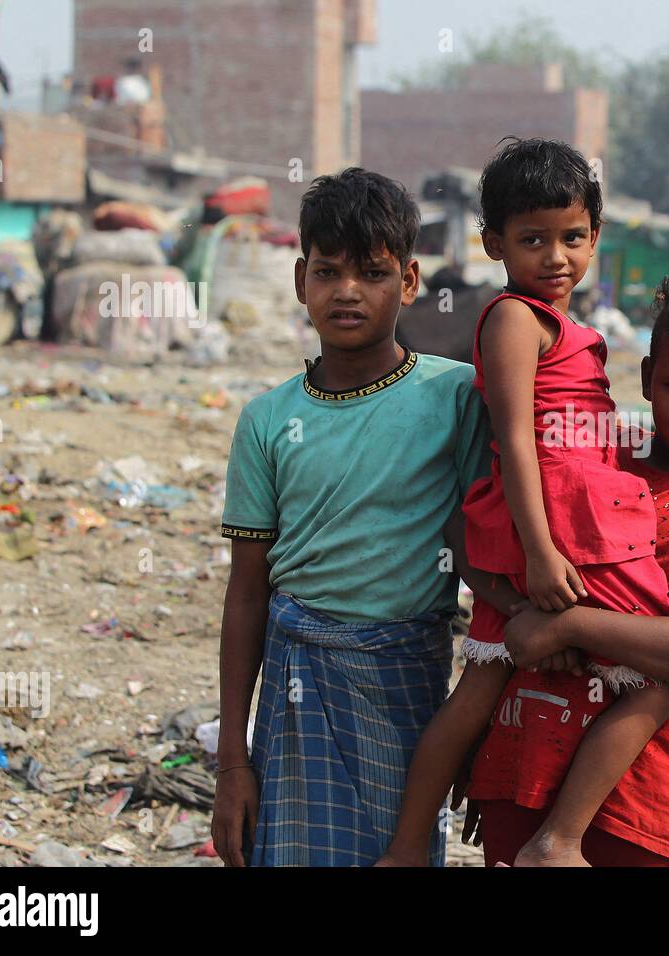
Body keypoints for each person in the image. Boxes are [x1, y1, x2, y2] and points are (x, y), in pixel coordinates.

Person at [379, 138, 669, 867]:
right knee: (666, 672)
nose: (556, 257)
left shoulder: (577, 330)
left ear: (596, 237)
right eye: (532, 240)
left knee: (481, 687)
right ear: (493, 244)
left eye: (572, 237)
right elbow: (517, 441)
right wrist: (544, 554)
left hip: (575, 522)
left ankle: (405, 853)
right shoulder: (515, 318)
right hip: (563, 534)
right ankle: (558, 841)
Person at [209, 167, 503, 867]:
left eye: (370, 273)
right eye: (328, 271)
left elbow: (484, 551)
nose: (346, 291)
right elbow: (248, 593)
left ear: (408, 281)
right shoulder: (267, 420)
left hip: (403, 686)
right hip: (295, 690)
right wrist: (232, 763)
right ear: (299, 278)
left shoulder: (456, 397)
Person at [469, 267, 669, 866]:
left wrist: (568, 627)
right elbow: (482, 533)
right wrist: (522, 614)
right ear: (647, 379)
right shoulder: (591, 457)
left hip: (638, 804)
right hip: (520, 761)